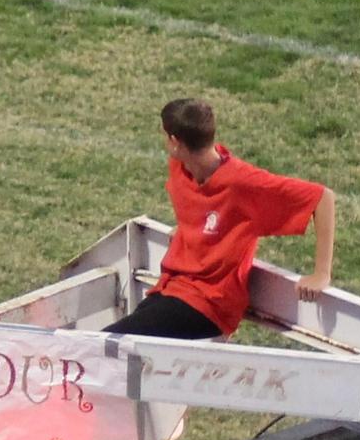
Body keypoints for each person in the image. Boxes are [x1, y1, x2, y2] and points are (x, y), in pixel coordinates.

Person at [108, 98, 336, 340]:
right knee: (111, 345)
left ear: (175, 142)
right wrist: (189, 229)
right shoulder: (181, 166)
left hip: (208, 304)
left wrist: (321, 273)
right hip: (171, 289)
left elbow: (323, 198)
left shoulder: (243, 183)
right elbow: (201, 212)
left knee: (102, 344)